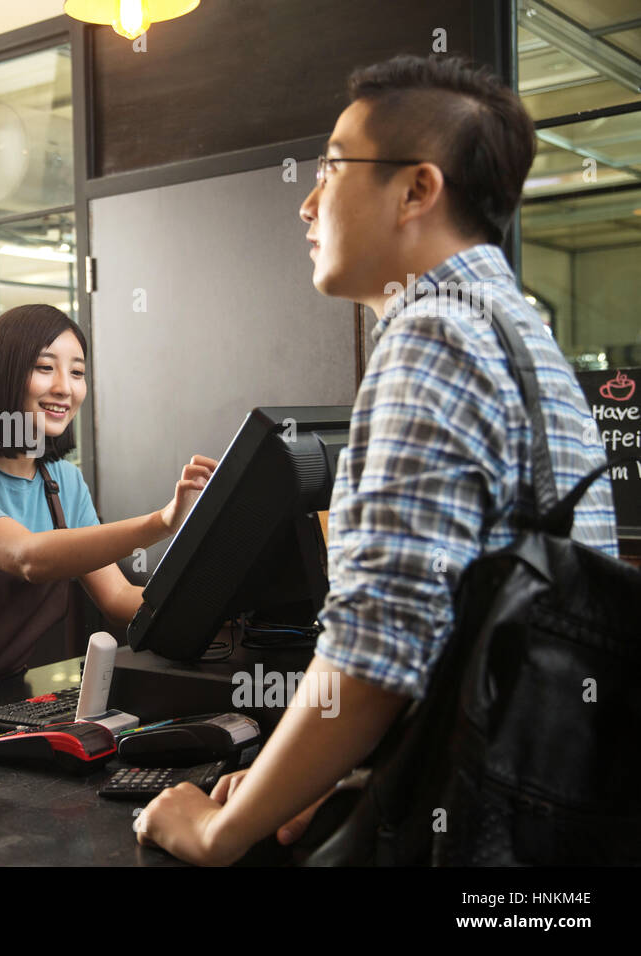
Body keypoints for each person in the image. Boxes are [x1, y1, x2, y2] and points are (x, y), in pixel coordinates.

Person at [137, 54, 618, 864]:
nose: (308, 200)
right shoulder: (518, 333)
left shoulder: (432, 335)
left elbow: (375, 653)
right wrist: (324, 771)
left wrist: (223, 828)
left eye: (332, 166)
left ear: (416, 190)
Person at [0, 304, 215, 706]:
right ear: (5, 375)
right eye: (45, 368)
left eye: (78, 372)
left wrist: (216, 612)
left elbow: (118, 598)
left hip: (9, 697)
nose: (66, 388)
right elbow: (27, 557)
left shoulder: (63, 480)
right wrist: (163, 522)